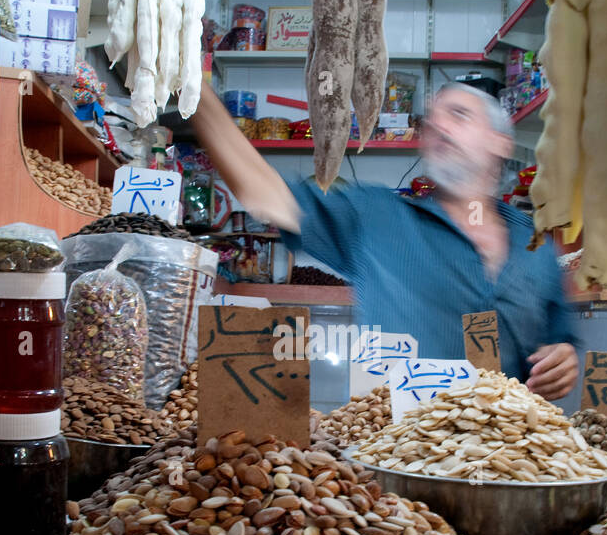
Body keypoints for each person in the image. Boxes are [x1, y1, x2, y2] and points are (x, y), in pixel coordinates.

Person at [191, 81, 580, 400]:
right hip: (397, 464)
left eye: (458, 115)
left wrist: (561, 359)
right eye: (430, 122)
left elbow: (557, 341)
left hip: (509, 465)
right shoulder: (377, 216)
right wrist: (193, 85)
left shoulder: (537, 244)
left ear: (500, 141)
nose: (439, 127)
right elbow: (265, 195)